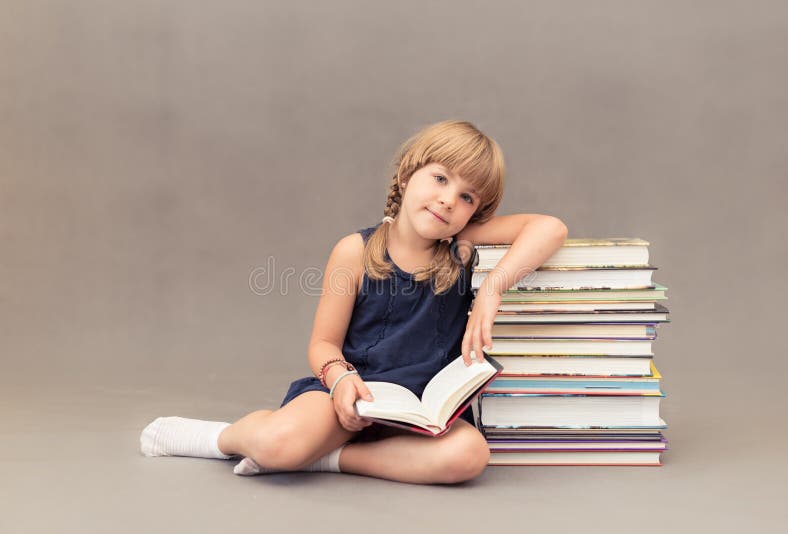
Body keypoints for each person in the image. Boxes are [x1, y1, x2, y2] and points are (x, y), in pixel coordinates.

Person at [139, 120, 568, 485]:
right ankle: (220, 438)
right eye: (440, 179)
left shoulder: (459, 245)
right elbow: (322, 344)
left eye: (466, 198)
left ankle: (328, 459)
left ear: (473, 214)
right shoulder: (355, 252)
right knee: (277, 444)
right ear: (406, 177)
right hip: (350, 394)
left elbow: (550, 227)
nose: (448, 200)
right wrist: (341, 380)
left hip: (418, 411)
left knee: (469, 456)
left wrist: (493, 287)